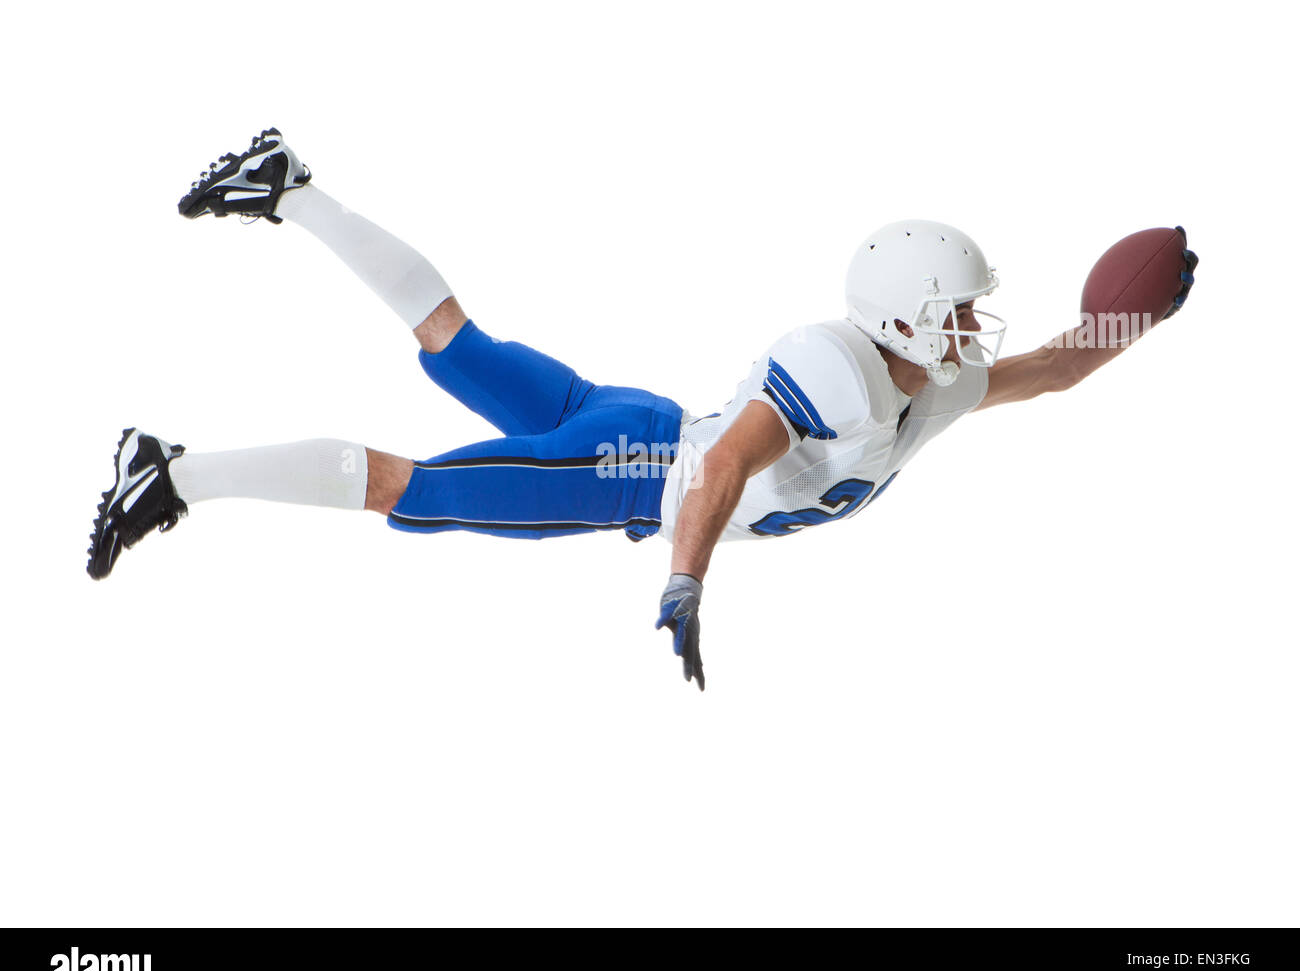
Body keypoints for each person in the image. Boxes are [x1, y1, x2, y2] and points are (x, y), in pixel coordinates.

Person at [86, 129, 1196, 690]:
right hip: (635, 463)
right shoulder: (837, 369)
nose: (970, 331)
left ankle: (286, 183)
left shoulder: (936, 383)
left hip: (647, 422)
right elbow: (719, 475)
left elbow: (1053, 370)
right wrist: (683, 578)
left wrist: (1129, 324)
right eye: (956, 313)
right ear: (899, 318)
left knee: (454, 339)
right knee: (408, 492)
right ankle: (169, 471)